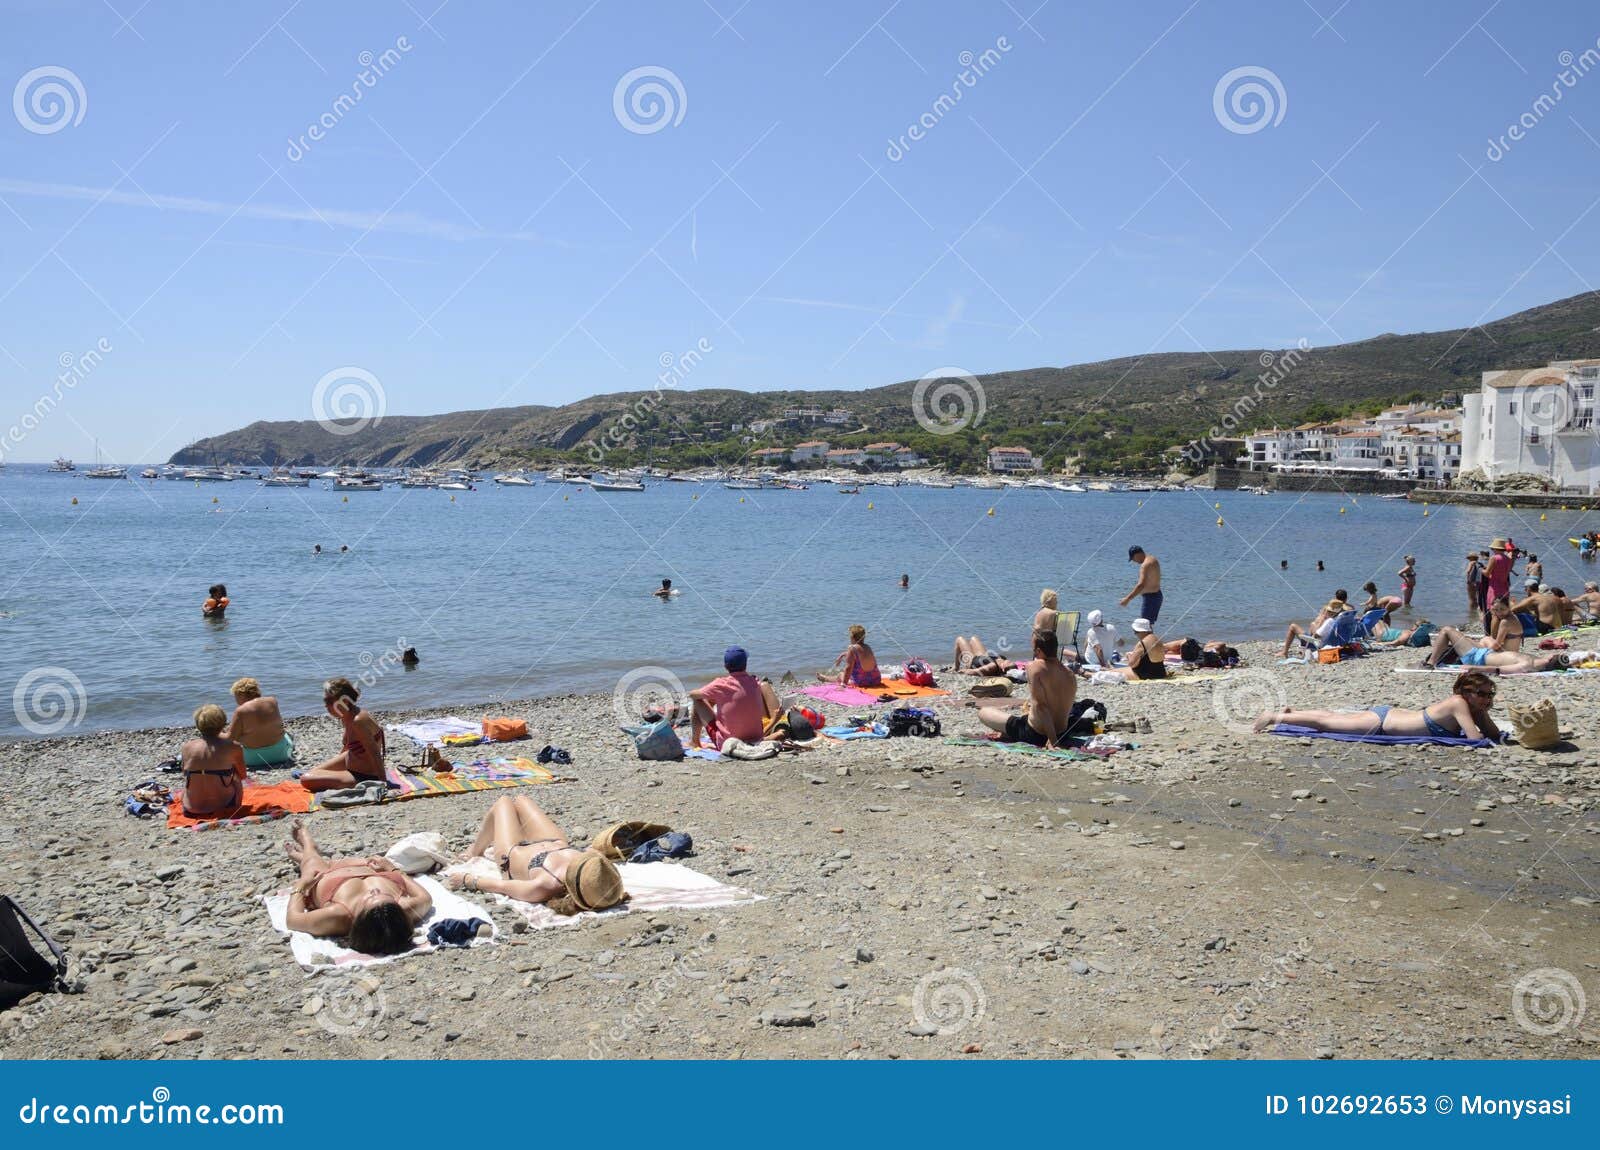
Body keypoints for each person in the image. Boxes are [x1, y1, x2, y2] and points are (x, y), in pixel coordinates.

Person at [445, 795, 627, 914]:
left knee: (504, 802)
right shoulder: (595, 867)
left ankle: (474, 850)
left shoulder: (543, 886)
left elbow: (498, 886)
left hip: (513, 852)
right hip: (555, 842)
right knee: (522, 800)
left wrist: (466, 879)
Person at [283, 822, 432, 954]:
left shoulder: (337, 916)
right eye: (384, 895)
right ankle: (306, 857)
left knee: (312, 864)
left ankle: (309, 847)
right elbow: (426, 898)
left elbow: (293, 920)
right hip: (362, 865)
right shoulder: (399, 909)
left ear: (360, 920)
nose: (373, 891)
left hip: (323, 875)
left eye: (370, 898)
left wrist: (301, 886)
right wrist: (393, 870)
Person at [1251, 670, 1506, 742]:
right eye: (1483, 694)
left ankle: (1293, 714)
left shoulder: (1470, 707)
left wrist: (1482, 711)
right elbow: (1475, 739)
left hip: (1388, 716)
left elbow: (1493, 734)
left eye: (1489, 694)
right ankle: (1272, 717)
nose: (1487, 698)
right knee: (1325, 723)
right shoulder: (1459, 703)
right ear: (1468, 693)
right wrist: (1481, 716)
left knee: (1330, 716)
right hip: (1381, 724)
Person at [976, 630, 1076, 748]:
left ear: (1038, 651)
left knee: (983, 712)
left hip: (1035, 734)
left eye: (1033, 649)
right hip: (1063, 733)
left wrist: (1052, 740)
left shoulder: (1035, 668)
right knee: (1027, 712)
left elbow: (1041, 706)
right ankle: (1009, 731)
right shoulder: (1069, 674)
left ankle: (1008, 733)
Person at [299, 677, 388, 791]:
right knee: (312, 773)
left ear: (344, 701)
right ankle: (339, 777)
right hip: (350, 759)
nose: (326, 706)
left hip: (364, 775)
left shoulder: (358, 720)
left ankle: (351, 780)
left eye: (329, 702)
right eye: (325, 702)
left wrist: (383, 783)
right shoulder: (345, 715)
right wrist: (336, 769)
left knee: (306, 779)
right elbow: (348, 746)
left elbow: (375, 753)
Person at [690, 647, 779, 750]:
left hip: (728, 743)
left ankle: (694, 741)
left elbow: (693, 695)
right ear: (745, 665)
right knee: (723, 700)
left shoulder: (721, 684)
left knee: (698, 700)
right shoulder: (754, 681)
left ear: (725, 666)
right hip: (755, 738)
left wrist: (709, 695)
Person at [179, 704, 246, 816]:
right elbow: (243, 775)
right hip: (225, 806)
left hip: (190, 810)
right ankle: (235, 806)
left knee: (195, 776)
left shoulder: (187, 747)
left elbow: (184, 773)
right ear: (222, 723)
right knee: (236, 776)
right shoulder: (233, 746)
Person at [1424, 595, 1524, 668]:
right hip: (1508, 656)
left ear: (1509, 608)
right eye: (1496, 610)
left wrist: (1479, 645)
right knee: (1481, 639)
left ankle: (1430, 663)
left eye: (1502, 609)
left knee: (1447, 629)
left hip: (1497, 658)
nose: (1499, 612)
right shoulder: (1514, 618)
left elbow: (1497, 646)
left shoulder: (1505, 622)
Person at [225, 677, 294, 767]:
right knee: (286, 735)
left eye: (235, 696)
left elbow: (230, 738)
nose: (235, 700)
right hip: (282, 754)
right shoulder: (272, 701)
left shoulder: (241, 710)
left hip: (253, 759)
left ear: (240, 694)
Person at [1280, 596, 1349, 659]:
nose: (1326, 612)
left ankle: (1284, 652)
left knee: (1293, 626)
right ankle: (1303, 648)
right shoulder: (1338, 620)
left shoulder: (1329, 621)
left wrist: (1321, 621)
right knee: (1312, 624)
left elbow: (1316, 635)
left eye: (1328, 611)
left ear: (1331, 612)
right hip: (1330, 643)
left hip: (1319, 645)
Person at [817, 624, 882, 687]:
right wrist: (842, 655)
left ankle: (825, 679)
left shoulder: (852, 648)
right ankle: (826, 678)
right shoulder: (868, 647)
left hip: (862, 682)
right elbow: (860, 655)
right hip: (876, 680)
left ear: (852, 637)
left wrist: (843, 685)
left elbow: (848, 668)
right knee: (844, 675)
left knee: (840, 675)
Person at [1119, 547, 1162, 623]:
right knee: (1147, 624)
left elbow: (1141, 585)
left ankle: (1148, 635)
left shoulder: (1144, 565)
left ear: (1137, 554)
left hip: (1151, 598)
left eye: (1133, 558)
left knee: (1144, 625)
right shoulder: (1153, 559)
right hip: (1157, 595)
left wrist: (1127, 599)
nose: (1134, 561)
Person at [1483, 540, 1513, 630]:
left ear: (1495, 548)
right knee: (1503, 610)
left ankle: (1493, 635)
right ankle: (1503, 631)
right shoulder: (1508, 559)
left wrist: (1481, 569)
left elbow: (1487, 574)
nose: (1492, 550)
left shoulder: (1494, 558)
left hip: (1495, 586)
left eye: (1492, 548)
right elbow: (1505, 573)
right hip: (1504, 586)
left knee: (1494, 611)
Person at [952, 636, 1016, 677]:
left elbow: (974, 672)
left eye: (1009, 663)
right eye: (1011, 662)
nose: (1010, 661)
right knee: (973, 638)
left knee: (959, 639)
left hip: (972, 662)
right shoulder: (1002, 661)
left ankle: (956, 667)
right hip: (983, 656)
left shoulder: (992, 666)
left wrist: (962, 671)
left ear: (1003, 668)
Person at [1464, 552, 1483, 619]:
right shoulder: (1480, 564)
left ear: (1470, 558)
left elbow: (1468, 571)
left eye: (1469, 558)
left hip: (1471, 583)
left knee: (1471, 599)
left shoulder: (1471, 563)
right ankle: (1477, 612)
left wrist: (1467, 575)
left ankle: (1471, 613)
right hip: (1478, 583)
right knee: (1477, 598)